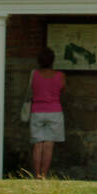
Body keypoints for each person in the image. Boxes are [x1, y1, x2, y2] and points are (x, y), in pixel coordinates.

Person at [29, 47, 66, 178]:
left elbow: (31, 90)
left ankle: (36, 174)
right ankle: (44, 175)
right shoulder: (60, 76)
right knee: (49, 144)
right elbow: (63, 90)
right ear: (53, 60)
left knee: (37, 144)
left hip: (37, 111)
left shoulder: (34, 74)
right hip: (54, 111)